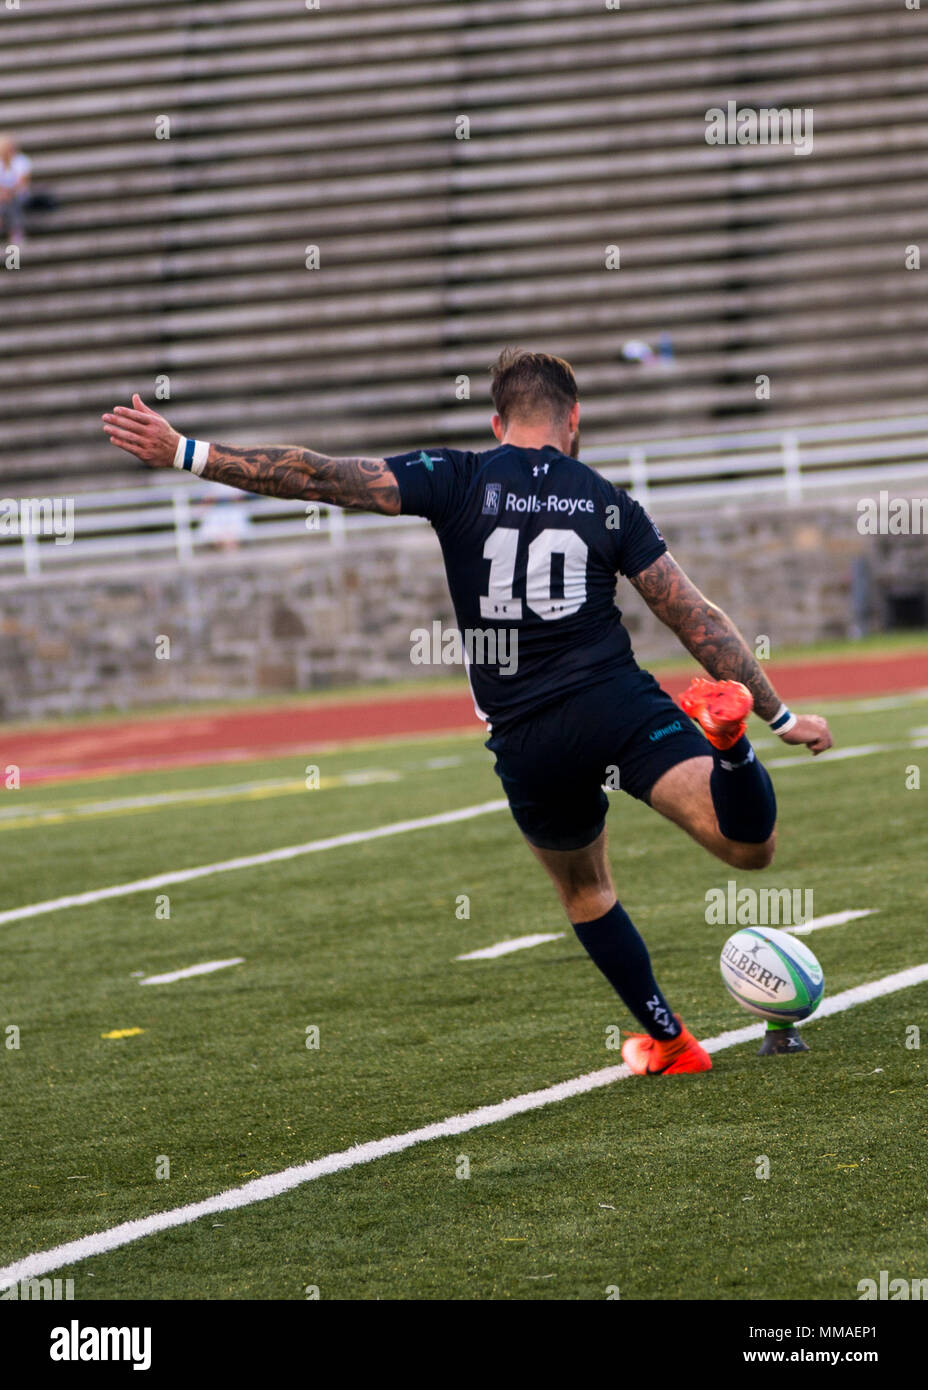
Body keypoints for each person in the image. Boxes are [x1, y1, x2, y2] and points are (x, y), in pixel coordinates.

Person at [102, 349, 833, 1076]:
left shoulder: (457, 476)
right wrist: (777, 716)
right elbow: (690, 615)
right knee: (750, 849)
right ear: (573, 420)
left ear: (496, 420)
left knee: (585, 888)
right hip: (617, 703)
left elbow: (320, 476)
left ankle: (672, 1044)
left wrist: (186, 452)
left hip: (527, 737)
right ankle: (733, 748)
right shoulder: (608, 499)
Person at [0, 134, 31, 245]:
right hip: (3, 196)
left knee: (11, 202)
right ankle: (15, 230)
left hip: (18, 194)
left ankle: (14, 229)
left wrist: (8, 192)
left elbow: (22, 183)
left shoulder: (21, 161)